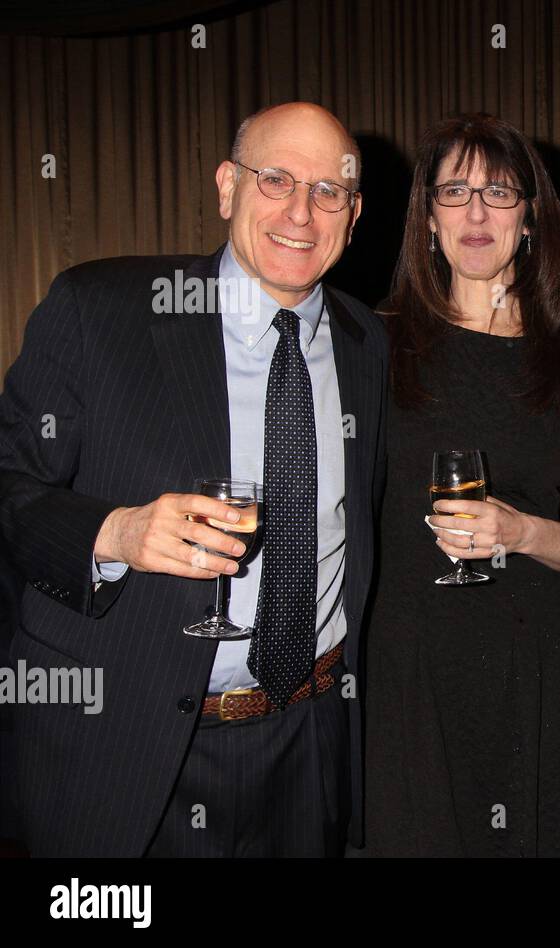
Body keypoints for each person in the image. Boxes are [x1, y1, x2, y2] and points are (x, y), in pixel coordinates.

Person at [0, 102, 386, 856]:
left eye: (327, 191)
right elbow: (8, 483)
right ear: (226, 187)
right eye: (275, 179)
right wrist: (114, 533)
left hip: (306, 746)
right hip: (124, 747)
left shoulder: (368, 342)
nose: (300, 213)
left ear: (354, 212)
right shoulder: (99, 308)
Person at [362, 114, 560, 857]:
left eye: (499, 193)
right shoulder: (370, 346)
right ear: (428, 220)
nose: (476, 213)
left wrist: (519, 532)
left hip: (530, 664)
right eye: (455, 192)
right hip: (407, 661)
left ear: (530, 220)